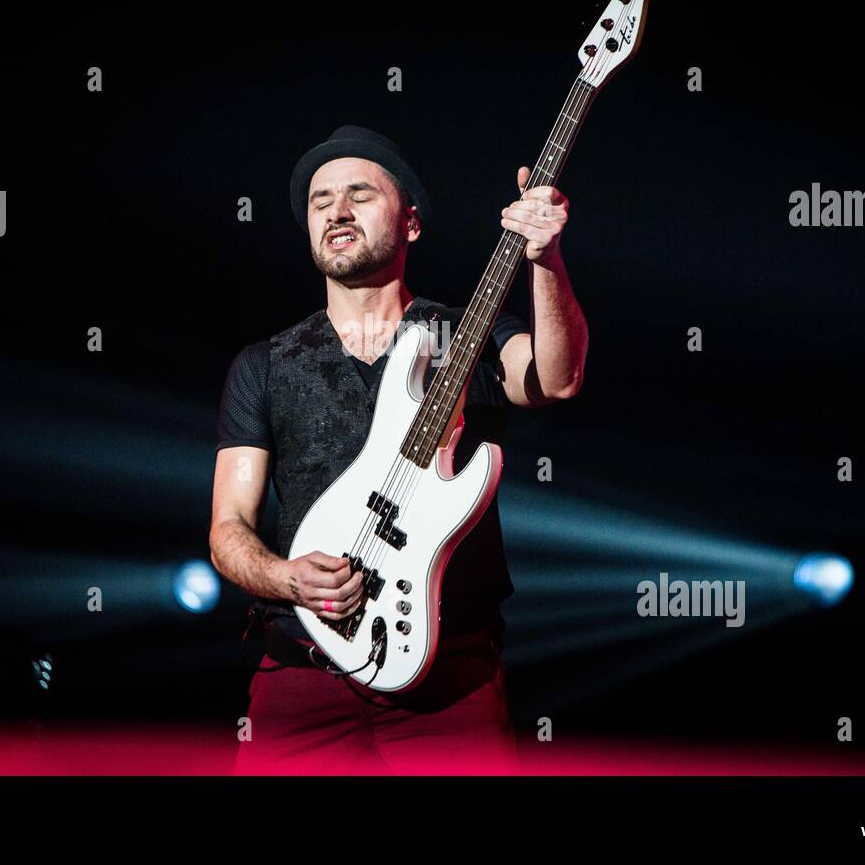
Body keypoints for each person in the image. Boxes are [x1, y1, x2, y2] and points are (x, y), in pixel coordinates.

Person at [209, 125, 588, 773]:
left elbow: (556, 378)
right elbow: (228, 529)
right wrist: (286, 578)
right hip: (303, 673)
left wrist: (545, 262)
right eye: (320, 200)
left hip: (448, 683)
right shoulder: (264, 366)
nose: (337, 210)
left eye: (360, 193)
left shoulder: (463, 336)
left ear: (411, 222)